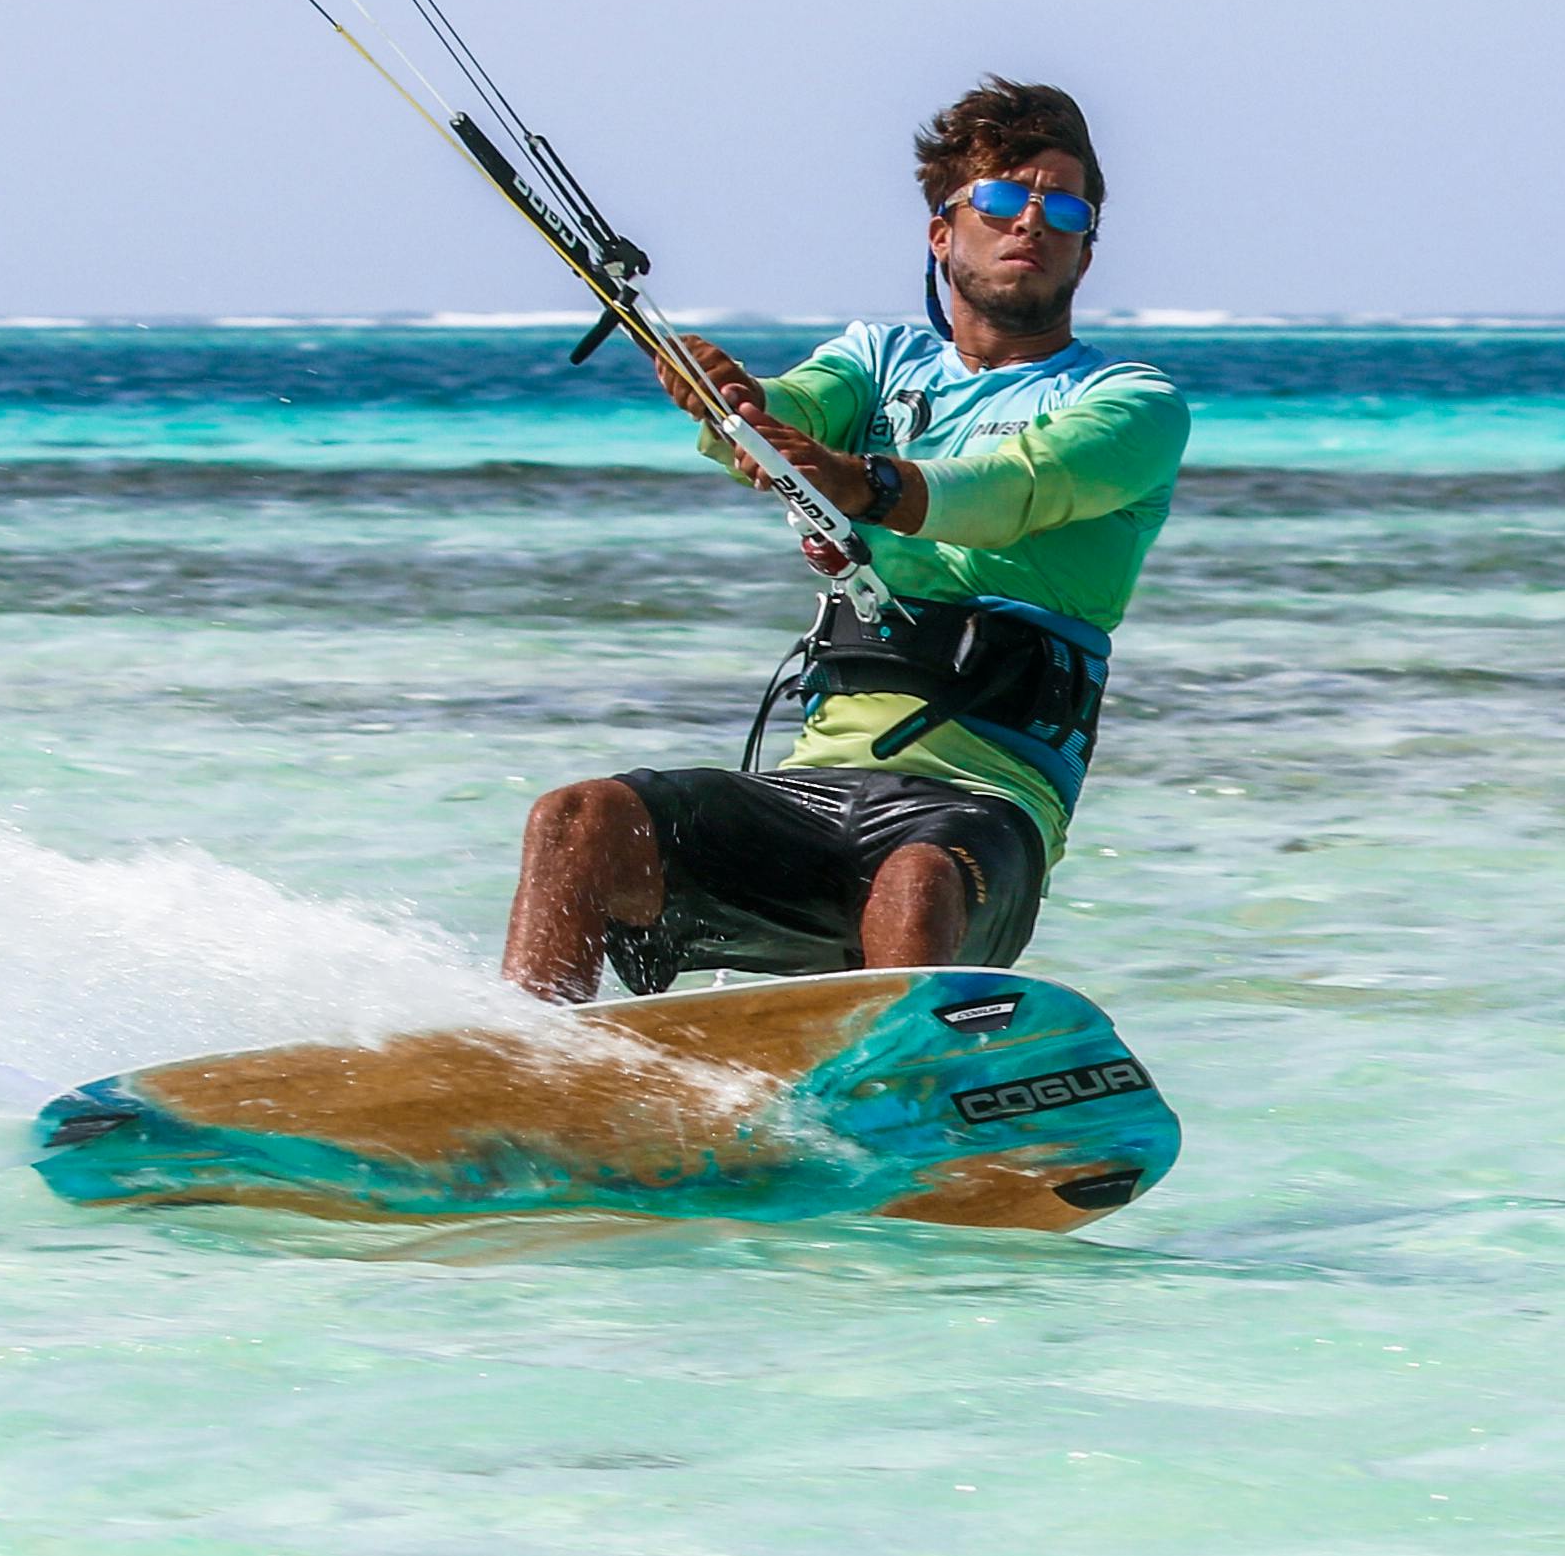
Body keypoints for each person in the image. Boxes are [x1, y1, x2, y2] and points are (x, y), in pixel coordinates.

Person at [503, 78, 1187, 1001]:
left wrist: (863, 482)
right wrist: (733, 398)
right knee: (577, 819)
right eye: (999, 199)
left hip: (982, 816)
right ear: (942, 232)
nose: (1031, 221)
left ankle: (898, 1088)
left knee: (914, 877)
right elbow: (790, 409)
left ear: (1086, 249)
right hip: (816, 793)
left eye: (1063, 206)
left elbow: (1016, 490)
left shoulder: (1131, 405)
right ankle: (530, 1073)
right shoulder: (878, 361)